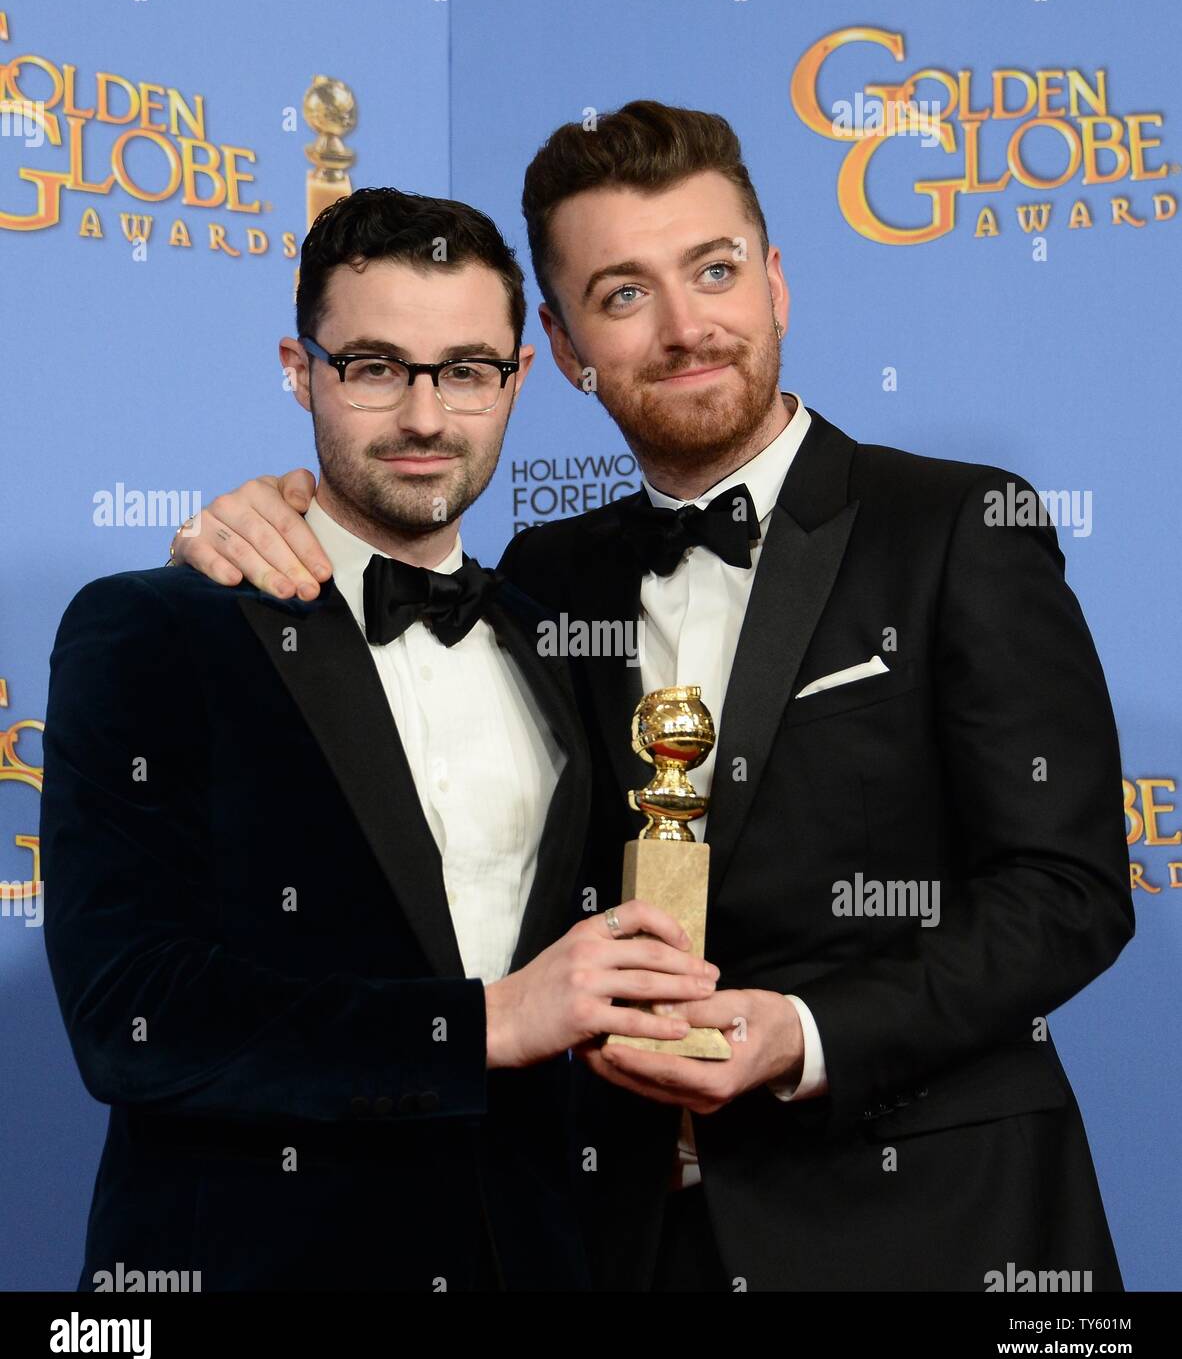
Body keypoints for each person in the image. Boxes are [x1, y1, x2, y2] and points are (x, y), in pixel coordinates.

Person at [169, 103, 1134, 1292]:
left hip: (930, 1229)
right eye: (624, 295)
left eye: (715, 271)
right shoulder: (540, 579)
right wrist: (263, 523)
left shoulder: (958, 526)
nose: (687, 329)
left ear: (776, 282)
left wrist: (804, 1035)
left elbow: (1070, 891)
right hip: (619, 1241)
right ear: (566, 351)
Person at [39, 186, 719, 1293]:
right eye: (373, 366)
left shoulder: (574, 641)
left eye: (463, 370)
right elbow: (132, 1014)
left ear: (519, 378)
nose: (423, 417)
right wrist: (484, 1023)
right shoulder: (158, 628)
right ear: (299, 369)